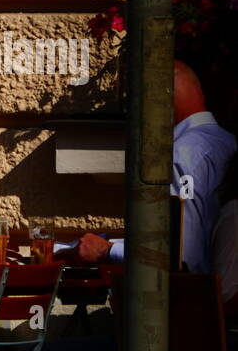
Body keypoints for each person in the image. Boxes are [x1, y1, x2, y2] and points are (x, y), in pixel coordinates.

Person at [65, 60, 236, 272]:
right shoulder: (227, 142)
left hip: (190, 300)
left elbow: (182, 255)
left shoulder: (180, 155)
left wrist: (106, 250)